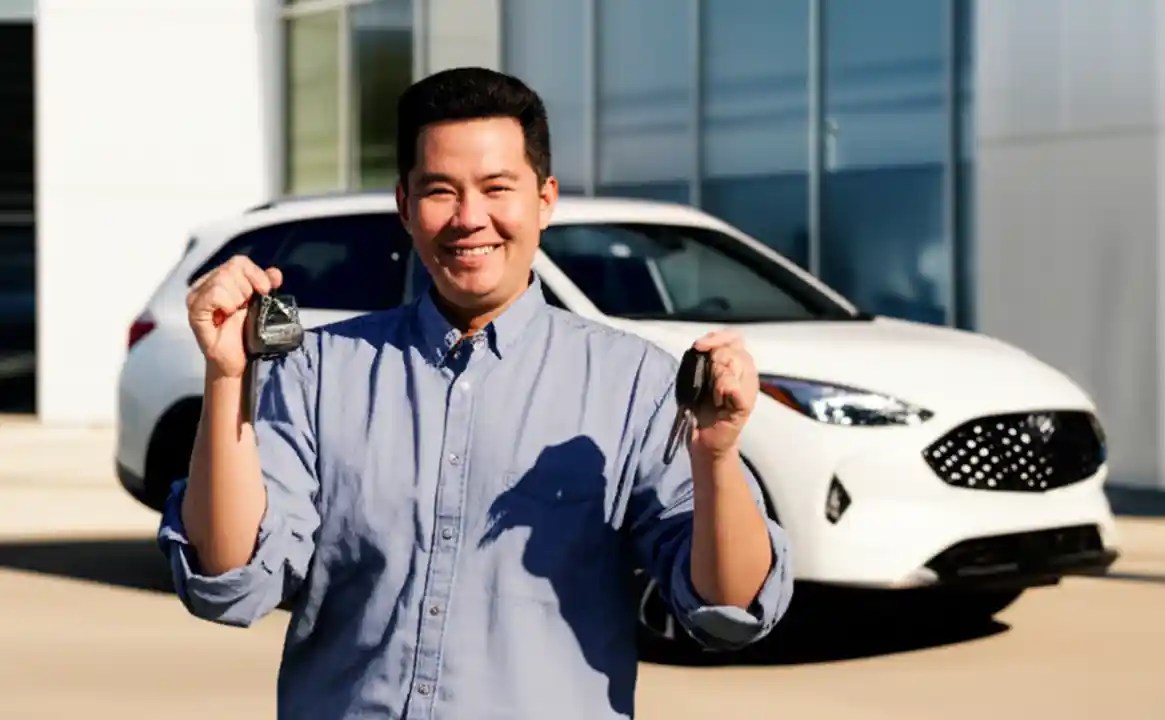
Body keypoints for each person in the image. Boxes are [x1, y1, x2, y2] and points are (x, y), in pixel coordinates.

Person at [159, 66, 793, 719]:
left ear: (544, 199)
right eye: (440, 191)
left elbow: (729, 609)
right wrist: (228, 376)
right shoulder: (318, 370)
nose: (469, 219)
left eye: (497, 188)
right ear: (404, 204)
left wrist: (716, 459)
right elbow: (231, 580)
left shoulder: (635, 384)